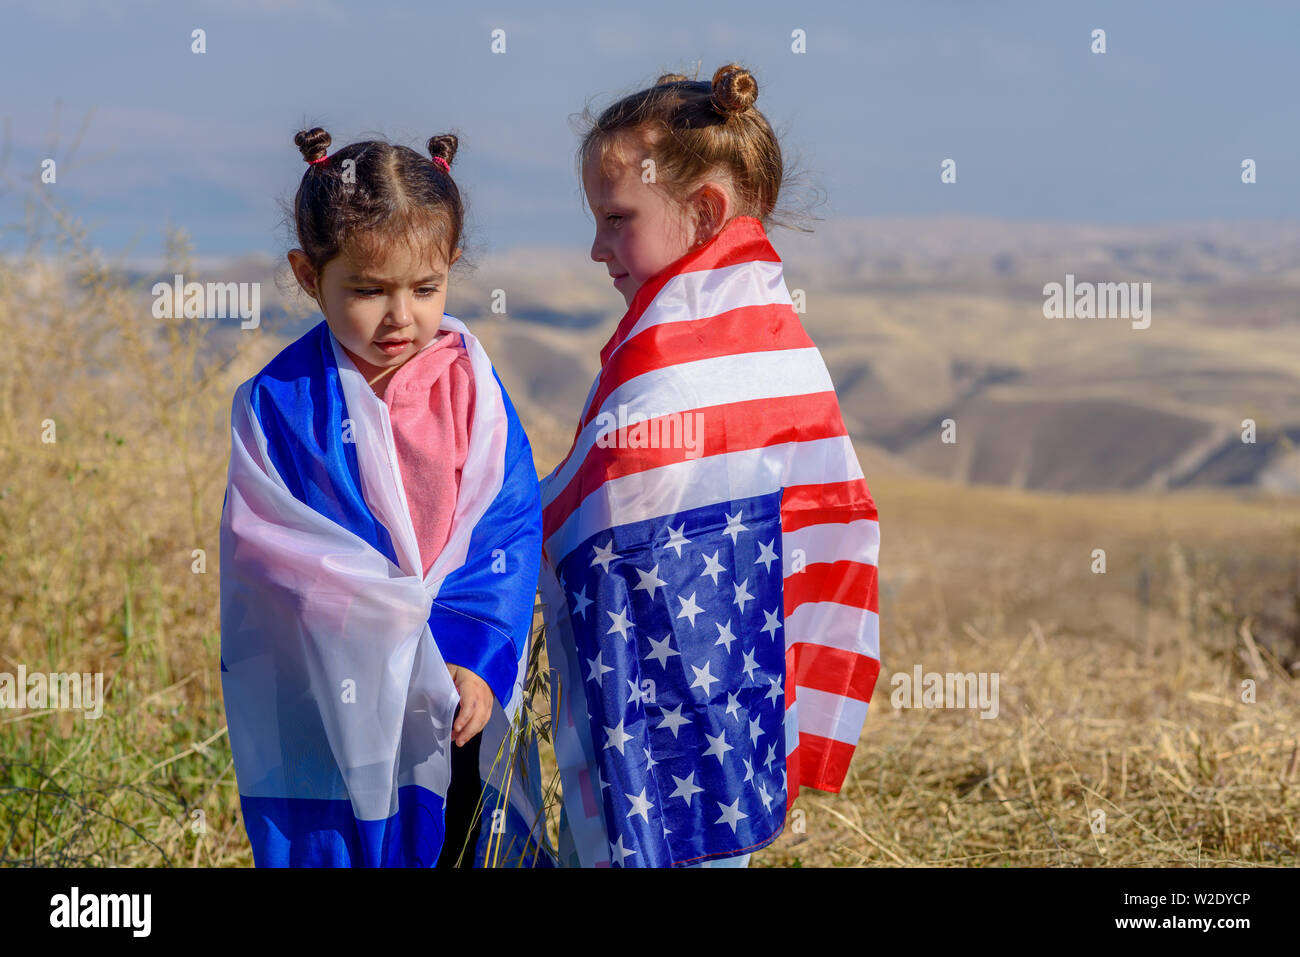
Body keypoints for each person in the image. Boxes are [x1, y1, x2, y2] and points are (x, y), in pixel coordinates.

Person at [539, 65, 881, 867]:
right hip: (721, 709)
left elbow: (616, 513)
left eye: (616, 218)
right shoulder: (762, 342)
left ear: (704, 211)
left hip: (676, 713)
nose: (597, 248)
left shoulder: (691, 360)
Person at [219, 128, 550, 867]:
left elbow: (504, 523)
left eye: (425, 288)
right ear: (310, 276)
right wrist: (372, 624)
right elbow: (268, 548)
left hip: (457, 685)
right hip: (336, 684)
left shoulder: (474, 391)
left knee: (465, 836)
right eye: (368, 290)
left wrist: (473, 653)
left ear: (451, 270)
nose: (401, 315)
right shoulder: (278, 404)